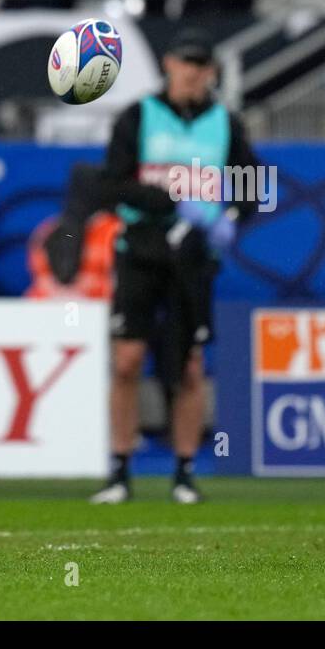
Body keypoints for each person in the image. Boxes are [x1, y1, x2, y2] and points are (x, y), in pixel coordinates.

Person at [92, 28, 262, 505]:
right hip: (142, 248)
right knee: (127, 360)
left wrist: (228, 215)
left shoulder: (226, 123)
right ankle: (120, 470)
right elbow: (111, 184)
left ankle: (184, 472)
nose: (193, 73)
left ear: (211, 72)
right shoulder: (138, 116)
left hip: (193, 256)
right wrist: (172, 201)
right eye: (186, 63)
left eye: (202, 65)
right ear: (169, 65)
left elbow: (256, 184)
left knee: (188, 364)